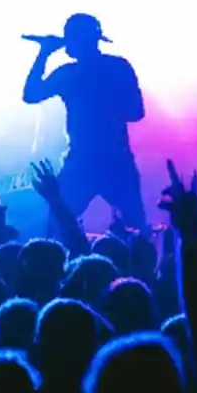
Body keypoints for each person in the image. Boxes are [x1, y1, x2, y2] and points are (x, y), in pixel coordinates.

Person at [22, 14, 148, 231]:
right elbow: (136, 112)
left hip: (84, 161)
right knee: (136, 228)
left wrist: (45, 52)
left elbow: (32, 94)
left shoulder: (69, 73)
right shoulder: (117, 67)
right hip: (114, 159)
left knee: (58, 227)